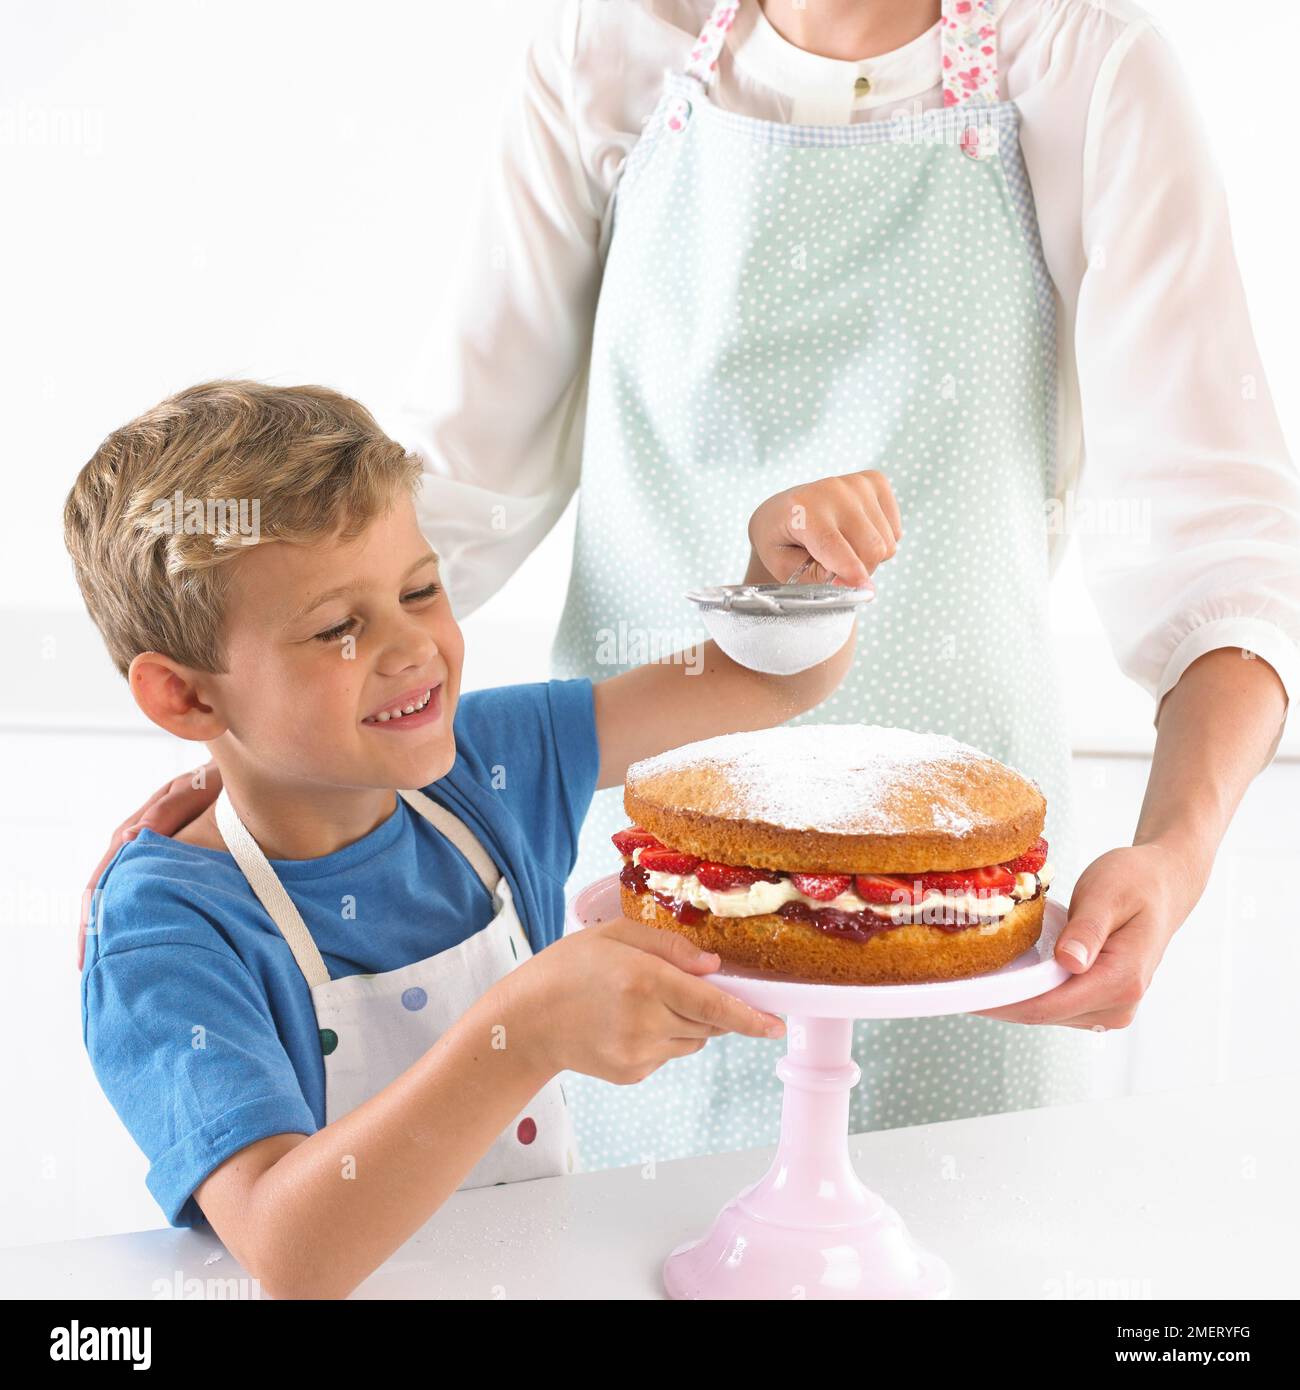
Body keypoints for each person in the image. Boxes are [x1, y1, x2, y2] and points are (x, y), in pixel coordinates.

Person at [81, 0, 1300, 1174]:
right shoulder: (614, 46)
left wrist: (1175, 854)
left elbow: (1222, 554)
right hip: (650, 897)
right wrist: (268, 729)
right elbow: (441, 496)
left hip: (958, 909)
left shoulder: (1085, 69)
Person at [67, 378, 901, 1298]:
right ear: (186, 696)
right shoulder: (163, 933)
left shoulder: (493, 765)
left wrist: (789, 573)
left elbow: (770, 684)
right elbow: (290, 1252)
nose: (411, 647)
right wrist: (522, 1032)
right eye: (338, 627)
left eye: (421, 589)